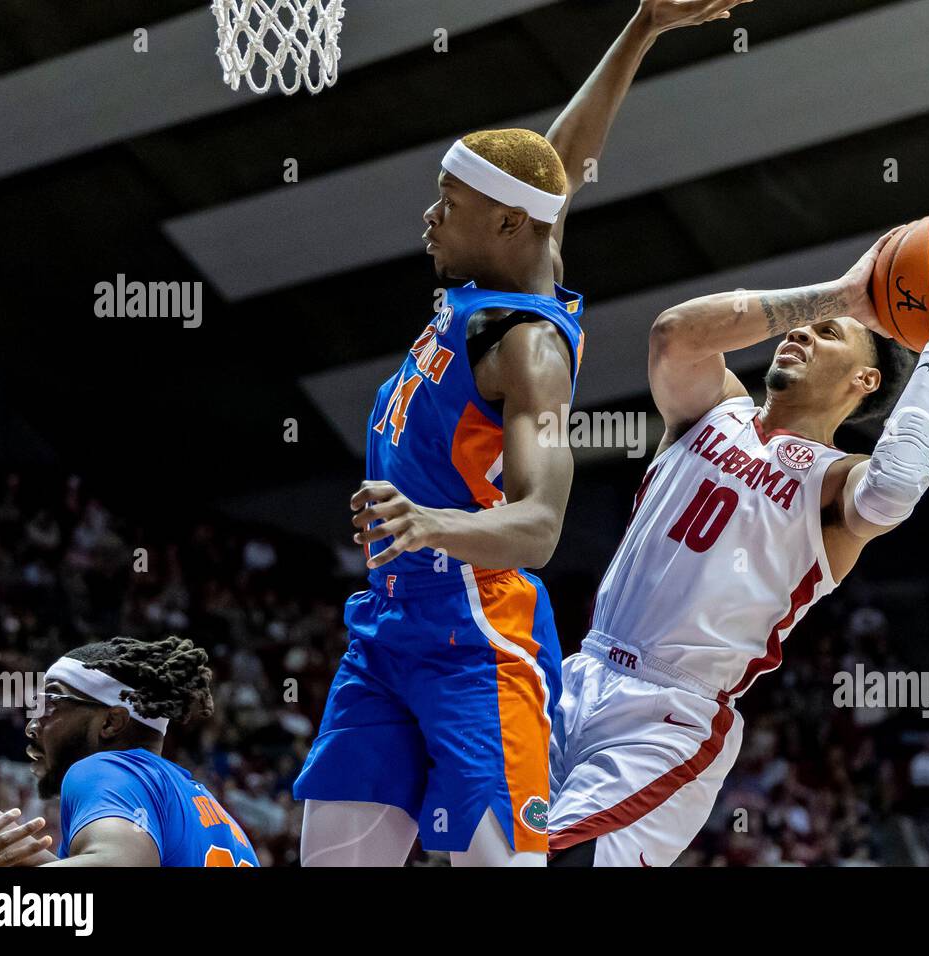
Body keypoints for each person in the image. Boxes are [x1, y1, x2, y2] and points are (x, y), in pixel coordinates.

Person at [294, 0, 758, 867]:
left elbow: (541, 527)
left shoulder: (529, 347)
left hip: (477, 641)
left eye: (448, 202)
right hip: (387, 631)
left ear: (505, 226)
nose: (429, 218)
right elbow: (561, 167)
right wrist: (644, 25)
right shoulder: (507, 256)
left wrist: (430, 524)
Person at [548, 234, 929, 865]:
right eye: (802, 327)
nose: (798, 335)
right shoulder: (713, 411)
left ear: (865, 379)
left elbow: (895, 487)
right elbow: (672, 334)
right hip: (578, 672)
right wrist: (842, 297)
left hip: (668, 717)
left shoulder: (833, 480)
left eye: (826, 333)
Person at [0, 636, 258, 867]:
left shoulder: (105, 767)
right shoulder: (211, 811)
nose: (33, 725)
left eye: (51, 703)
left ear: (110, 722)